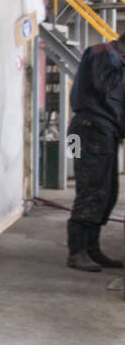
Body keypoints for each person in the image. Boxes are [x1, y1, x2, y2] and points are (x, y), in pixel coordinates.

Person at [66, 38, 125, 272]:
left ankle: (92, 249)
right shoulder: (104, 52)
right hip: (90, 129)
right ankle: (77, 252)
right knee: (92, 190)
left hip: (100, 130)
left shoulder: (115, 57)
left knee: (107, 192)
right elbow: (106, 85)